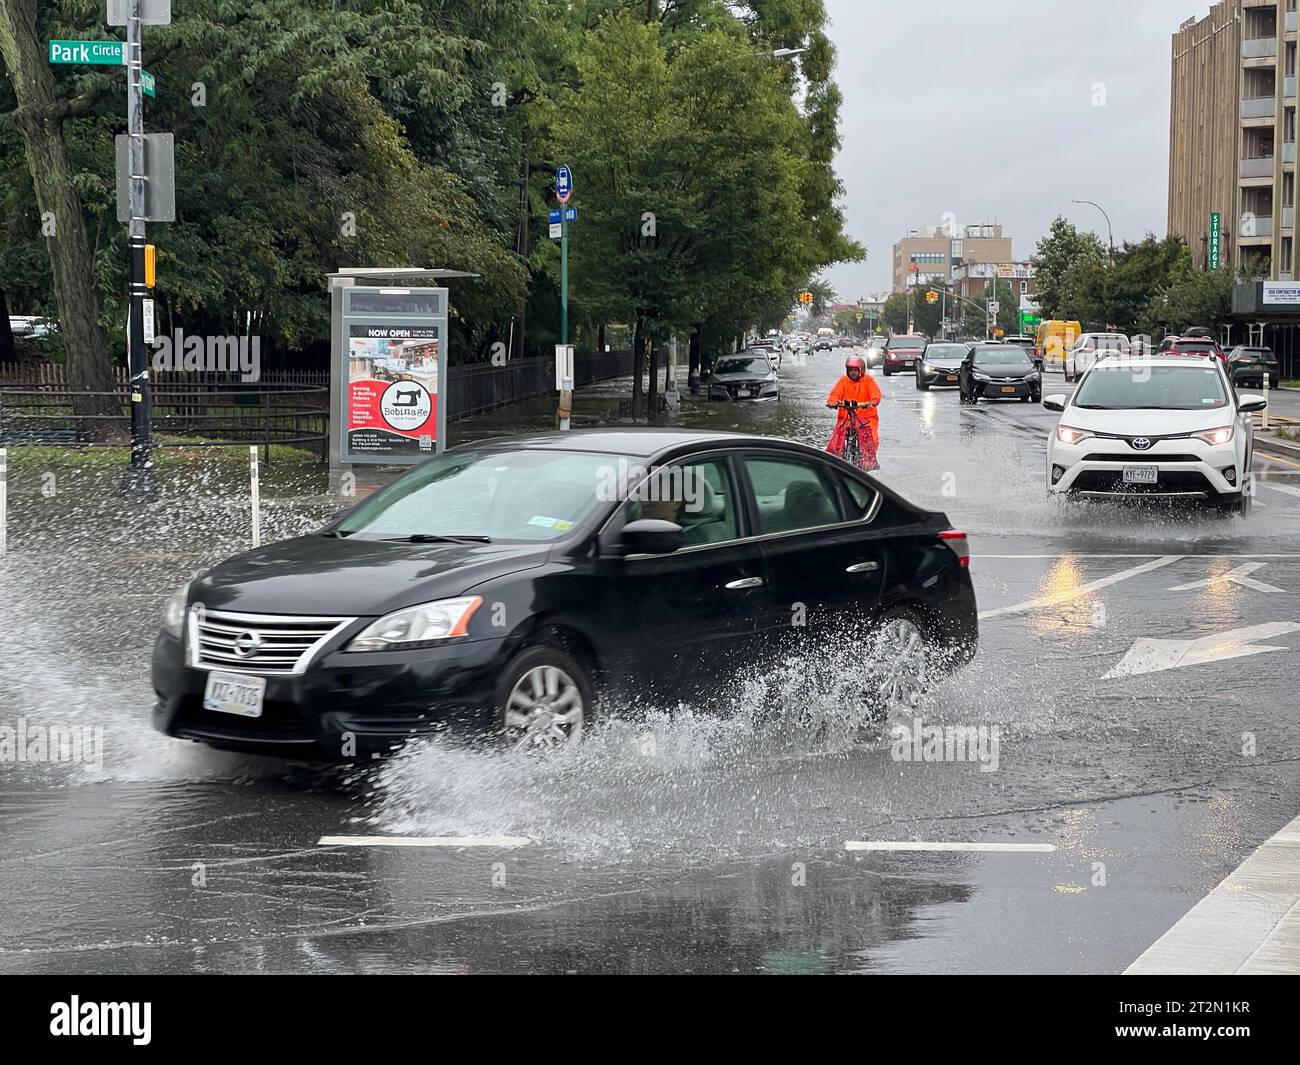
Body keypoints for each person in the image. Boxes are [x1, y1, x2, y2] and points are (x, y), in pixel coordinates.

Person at [825, 354, 881, 470]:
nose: (853, 373)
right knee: (836, 441)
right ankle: (835, 464)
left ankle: (867, 462)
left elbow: (875, 394)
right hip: (846, 419)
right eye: (851, 370)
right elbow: (835, 394)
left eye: (855, 370)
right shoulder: (843, 381)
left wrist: (873, 401)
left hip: (865, 420)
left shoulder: (868, 381)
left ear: (861, 370)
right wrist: (832, 402)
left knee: (872, 440)